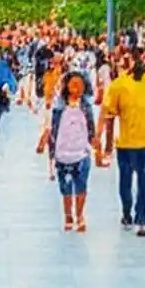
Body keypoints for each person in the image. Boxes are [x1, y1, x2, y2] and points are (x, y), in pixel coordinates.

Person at [97, 48, 145, 237]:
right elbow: (107, 110)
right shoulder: (119, 85)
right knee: (125, 182)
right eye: (138, 59)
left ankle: (141, 218)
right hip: (125, 143)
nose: (142, 63)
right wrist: (98, 135)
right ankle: (127, 212)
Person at [49, 72, 96, 232]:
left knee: (81, 186)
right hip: (63, 153)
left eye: (81, 85)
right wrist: (51, 150)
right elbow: (53, 130)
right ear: (67, 86)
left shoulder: (86, 107)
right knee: (66, 188)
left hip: (82, 153)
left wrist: (97, 148)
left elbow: (91, 129)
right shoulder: (59, 107)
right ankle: (68, 215)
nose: (78, 88)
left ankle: (80, 215)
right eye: (74, 84)